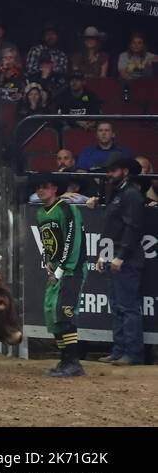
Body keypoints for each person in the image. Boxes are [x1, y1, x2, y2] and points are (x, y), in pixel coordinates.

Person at [95, 153, 145, 366]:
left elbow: (133, 227)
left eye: (113, 170)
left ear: (125, 171)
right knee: (117, 305)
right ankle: (119, 350)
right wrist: (103, 254)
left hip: (125, 258)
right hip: (113, 255)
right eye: (108, 170)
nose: (109, 174)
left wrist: (120, 256)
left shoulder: (130, 194)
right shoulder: (117, 193)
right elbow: (112, 228)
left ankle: (132, 352)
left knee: (126, 306)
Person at [33, 174, 84, 378]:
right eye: (38, 187)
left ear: (54, 188)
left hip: (71, 269)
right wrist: (47, 261)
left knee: (64, 310)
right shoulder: (40, 214)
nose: (40, 190)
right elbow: (45, 242)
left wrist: (62, 268)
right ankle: (65, 359)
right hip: (55, 270)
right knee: (52, 312)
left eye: (44, 186)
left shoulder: (66, 209)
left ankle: (73, 362)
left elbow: (72, 240)